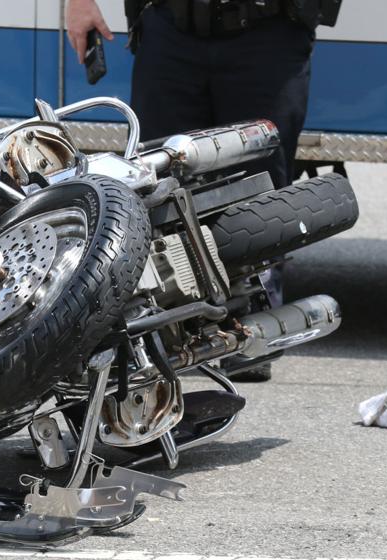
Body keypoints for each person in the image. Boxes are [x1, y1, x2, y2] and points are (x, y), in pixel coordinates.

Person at [64, 0, 340, 380]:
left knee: (259, 185)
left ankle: (250, 330)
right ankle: (160, 332)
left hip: (268, 33)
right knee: (159, 183)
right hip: (170, 29)